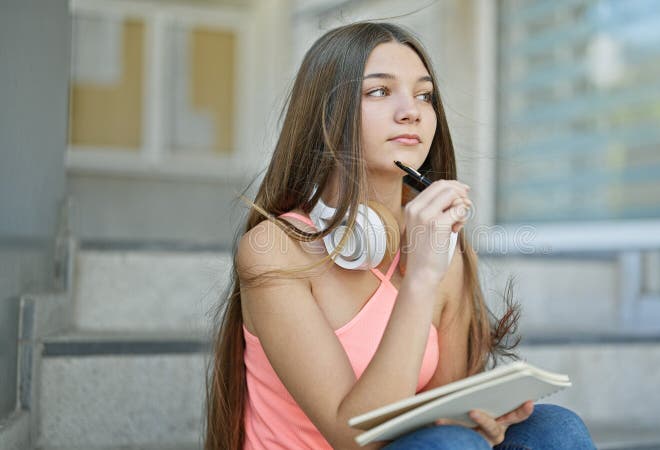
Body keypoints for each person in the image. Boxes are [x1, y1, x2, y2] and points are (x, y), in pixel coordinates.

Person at [205, 21, 595, 450]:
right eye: (379, 91)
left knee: (554, 428)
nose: (412, 111)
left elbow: (445, 412)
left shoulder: (440, 244)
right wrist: (422, 279)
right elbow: (356, 438)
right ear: (327, 116)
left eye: (424, 95)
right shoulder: (275, 252)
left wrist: (483, 420)